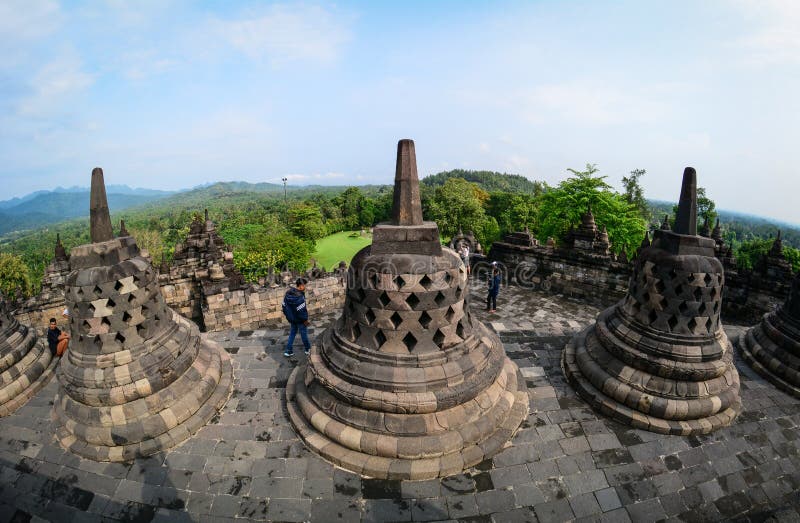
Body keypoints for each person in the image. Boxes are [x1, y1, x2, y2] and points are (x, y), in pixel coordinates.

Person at [282, 278, 311, 357]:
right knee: (303, 334)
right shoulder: (300, 297)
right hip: (300, 320)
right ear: (301, 286)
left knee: (292, 333)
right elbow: (301, 310)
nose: (305, 287)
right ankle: (308, 349)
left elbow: (284, 306)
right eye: (305, 285)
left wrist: (289, 316)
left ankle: (288, 351)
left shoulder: (288, 293)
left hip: (292, 319)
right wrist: (305, 320)